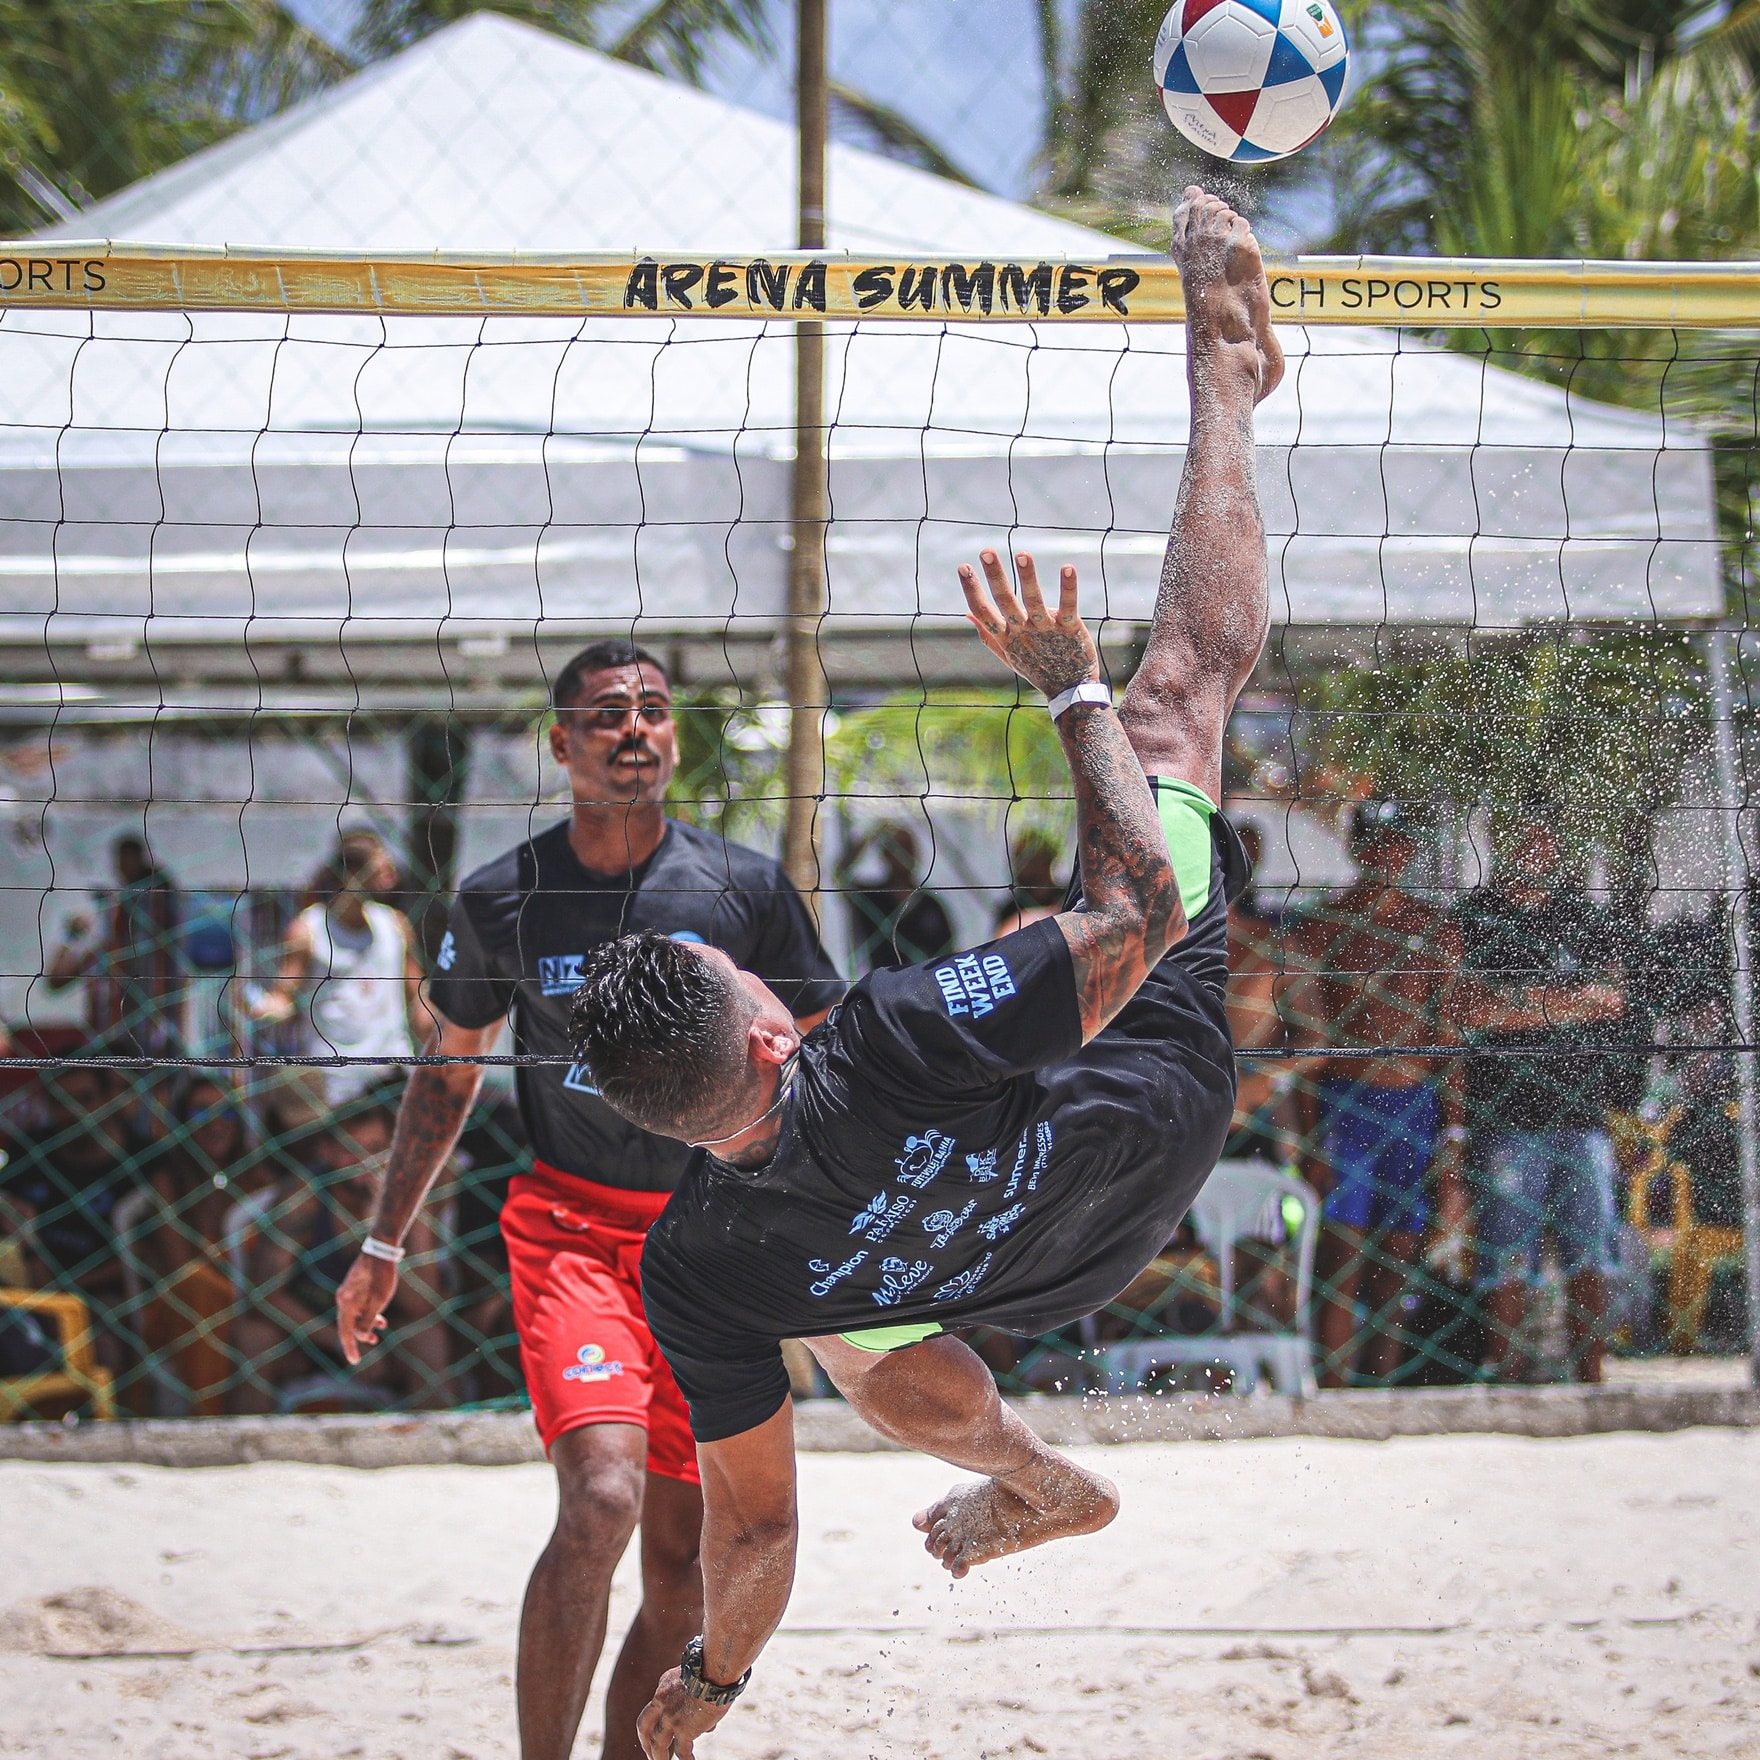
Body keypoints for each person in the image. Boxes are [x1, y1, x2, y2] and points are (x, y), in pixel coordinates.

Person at [567, 189, 1277, 1757]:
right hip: (1150, 1102)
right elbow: (1147, 910)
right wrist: (1073, 693)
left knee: (829, 1320)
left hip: (1057, 1271)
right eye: (733, 971)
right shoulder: (875, 1039)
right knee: (1177, 708)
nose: (743, 959)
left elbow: (756, 1537)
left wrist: (717, 1686)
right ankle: (1226, 375)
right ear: (762, 1046)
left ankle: (1030, 1469)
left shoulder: (690, 1264)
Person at [330, 639, 843, 1760]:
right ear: (560, 743)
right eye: (608, 712)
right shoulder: (503, 896)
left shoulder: (743, 886)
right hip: (571, 1232)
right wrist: (384, 1237)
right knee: (600, 1498)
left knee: (679, 1564)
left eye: (653, 710)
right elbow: (449, 1069)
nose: (635, 729)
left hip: (712, 1246)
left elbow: (816, 1047)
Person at [1455, 805, 1635, 1383]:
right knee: (1507, 1257)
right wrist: (1565, 1002)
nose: (1536, 848)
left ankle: (1591, 1378)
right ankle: (1508, 1375)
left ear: (1557, 848)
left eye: (1545, 839)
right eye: (1524, 837)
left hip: (1584, 1114)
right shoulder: (1475, 917)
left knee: (1590, 1254)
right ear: (1506, 847)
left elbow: (1614, 1000)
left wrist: (1520, 1007)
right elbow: (1466, 1010)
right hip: (1505, 1116)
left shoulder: (1585, 916)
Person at [232, 1105, 449, 1411]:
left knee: (428, 1338)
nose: (364, 1163)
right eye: (351, 1151)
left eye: (375, 1150)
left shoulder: (410, 1198)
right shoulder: (305, 1194)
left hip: (384, 1334)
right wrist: (337, 1340)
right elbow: (263, 1293)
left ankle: (435, 1446)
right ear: (327, 1151)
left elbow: (424, 1304)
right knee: (253, 1336)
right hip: (309, 1331)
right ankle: (248, 1446)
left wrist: (384, 1231)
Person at [246, 831, 426, 1113]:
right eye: (382, 870)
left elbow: (419, 999)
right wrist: (265, 1007)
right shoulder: (309, 929)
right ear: (353, 874)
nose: (391, 878)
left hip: (392, 1071)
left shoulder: (395, 925)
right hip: (334, 1077)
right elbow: (285, 994)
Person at [135, 1077, 263, 1415]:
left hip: (248, 1303)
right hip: (181, 1309)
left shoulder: (257, 1177)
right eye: (200, 1114)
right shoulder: (168, 1181)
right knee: (198, 1287)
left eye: (227, 1114)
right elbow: (182, 1267)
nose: (215, 1124)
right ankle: (210, 1418)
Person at [46, 835, 183, 1055]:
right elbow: (55, 981)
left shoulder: (168, 964)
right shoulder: (102, 952)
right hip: (105, 1053)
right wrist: (70, 938)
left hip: (151, 1055)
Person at [838, 821, 955, 971]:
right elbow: (840, 875)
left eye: (907, 849)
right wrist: (871, 837)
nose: (902, 856)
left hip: (925, 986)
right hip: (881, 987)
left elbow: (950, 951)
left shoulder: (930, 904)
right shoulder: (872, 898)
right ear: (885, 855)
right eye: (896, 849)